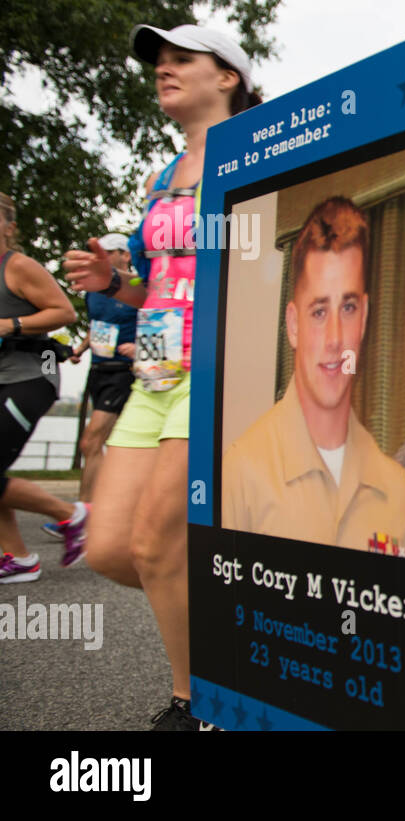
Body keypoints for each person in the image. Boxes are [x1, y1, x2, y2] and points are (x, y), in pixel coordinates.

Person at [62, 23, 262, 730]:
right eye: (159, 63)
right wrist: (116, 279)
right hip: (153, 366)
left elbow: (259, 253)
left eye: (183, 60)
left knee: (154, 539)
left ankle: (197, 703)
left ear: (228, 78)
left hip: (220, 364)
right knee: (111, 547)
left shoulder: (261, 149)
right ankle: (236, 610)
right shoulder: (161, 174)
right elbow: (157, 285)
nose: (164, 70)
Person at [223, 197, 405, 553]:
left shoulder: (397, 487)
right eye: (319, 312)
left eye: (348, 307)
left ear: (366, 317)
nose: (335, 339)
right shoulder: (241, 472)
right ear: (293, 325)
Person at [0, 192, 83, 583]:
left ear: (9, 227)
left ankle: (72, 516)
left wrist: (9, 325)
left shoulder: (17, 267)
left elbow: (63, 311)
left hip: (33, 377)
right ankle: (17, 558)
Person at [67, 233, 138, 504]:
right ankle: (117, 505)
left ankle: (83, 513)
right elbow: (96, 326)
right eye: (101, 253)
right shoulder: (93, 289)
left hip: (125, 371)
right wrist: (80, 350)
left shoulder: (137, 285)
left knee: (91, 440)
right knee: (116, 443)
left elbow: (156, 318)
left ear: (126, 255)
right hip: (97, 369)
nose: (104, 258)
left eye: (110, 252)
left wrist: (138, 348)